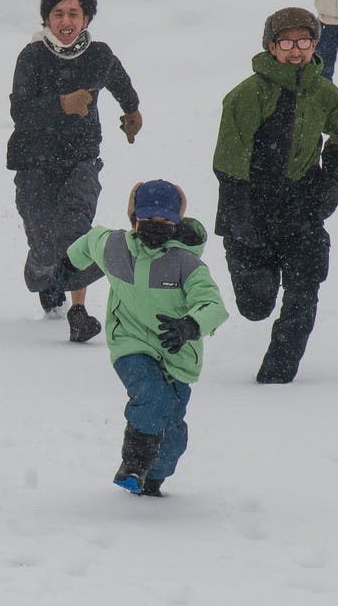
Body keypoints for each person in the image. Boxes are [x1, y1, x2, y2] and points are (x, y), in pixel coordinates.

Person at [213, 7, 338, 385]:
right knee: (256, 306)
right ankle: (257, 272)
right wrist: (242, 221)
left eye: (305, 41)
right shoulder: (247, 95)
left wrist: (331, 184)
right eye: (287, 42)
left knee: (304, 290)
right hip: (252, 209)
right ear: (272, 47)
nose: (297, 50)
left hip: (302, 208)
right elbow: (228, 161)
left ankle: (277, 377)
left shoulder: (323, 91)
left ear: (315, 45)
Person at [64, 181, 228, 496]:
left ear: (177, 224)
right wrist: (65, 266)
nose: (155, 229)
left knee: (172, 433)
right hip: (130, 343)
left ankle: (153, 478)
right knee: (153, 396)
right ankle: (134, 464)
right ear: (134, 219)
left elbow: (213, 305)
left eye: (165, 224)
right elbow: (88, 243)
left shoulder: (186, 264)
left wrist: (190, 326)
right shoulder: (116, 247)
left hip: (176, 353)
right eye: (148, 222)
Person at [7, 0, 142, 344]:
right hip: (33, 161)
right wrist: (62, 104)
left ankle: (78, 310)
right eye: (58, 14)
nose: (65, 22)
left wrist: (132, 110)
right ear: (46, 19)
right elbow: (20, 111)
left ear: (86, 18)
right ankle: (41, 271)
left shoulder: (98, 54)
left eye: (74, 13)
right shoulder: (32, 56)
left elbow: (119, 80)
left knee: (75, 230)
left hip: (81, 158)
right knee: (45, 243)